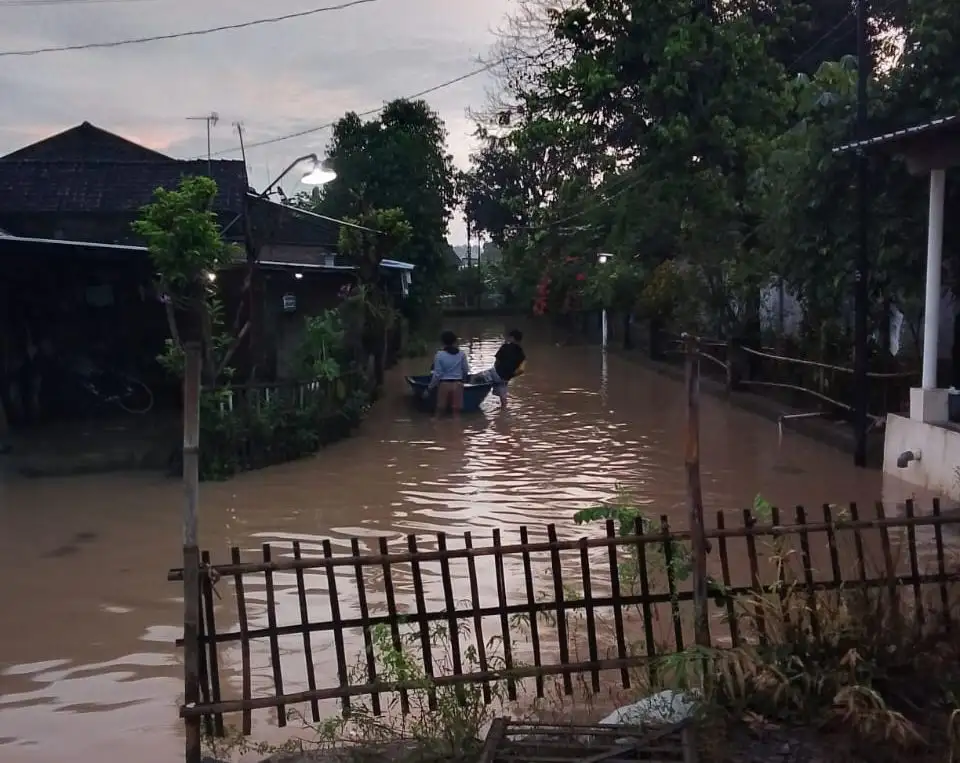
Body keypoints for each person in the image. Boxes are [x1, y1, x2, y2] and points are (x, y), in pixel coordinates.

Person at [426, 330, 471, 419]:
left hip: (444, 384)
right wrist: (463, 381)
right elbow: (465, 370)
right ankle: (457, 431)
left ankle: (435, 430)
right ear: (454, 341)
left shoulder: (439, 355)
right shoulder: (461, 354)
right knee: (456, 414)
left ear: (442, 342)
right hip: (458, 384)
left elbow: (437, 374)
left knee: (439, 412)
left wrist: (430, 388)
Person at [484, 329, 526, 409]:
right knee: (504, 399)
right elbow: (521, 370)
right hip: (505, 378)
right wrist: (510, 375)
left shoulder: (505, 346)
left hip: (496, 373)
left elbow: (496, 362)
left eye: (509, 337)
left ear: (512, 338)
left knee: (476, 378)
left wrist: (496, 372)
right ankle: (503, 414)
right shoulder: (521, 353)